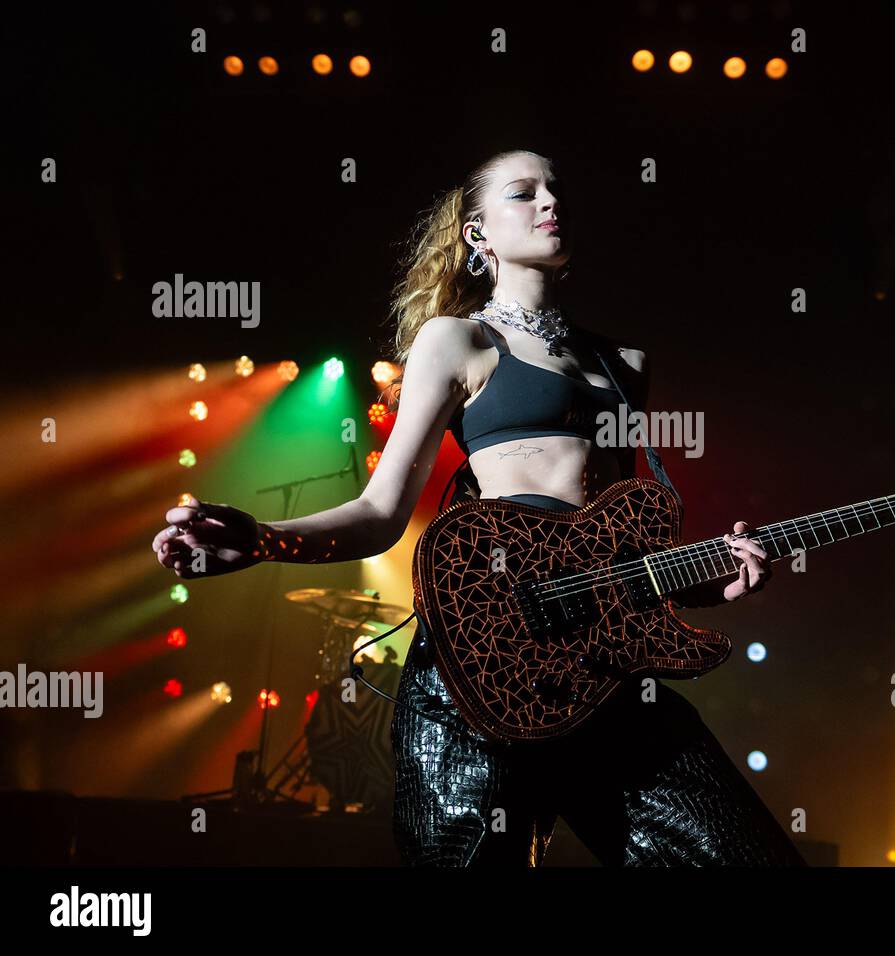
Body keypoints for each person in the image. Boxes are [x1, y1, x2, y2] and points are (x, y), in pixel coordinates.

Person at [151, 148, 806, 867]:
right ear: (477, 235)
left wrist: (704, 579)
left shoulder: (626, 365)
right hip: (482, 667)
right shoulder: (456, 340)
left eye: (558, 190)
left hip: (604, 674)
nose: (552, 203)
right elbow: (379, 512)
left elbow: (618, 550)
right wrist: (265, 539)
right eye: (525, 194)